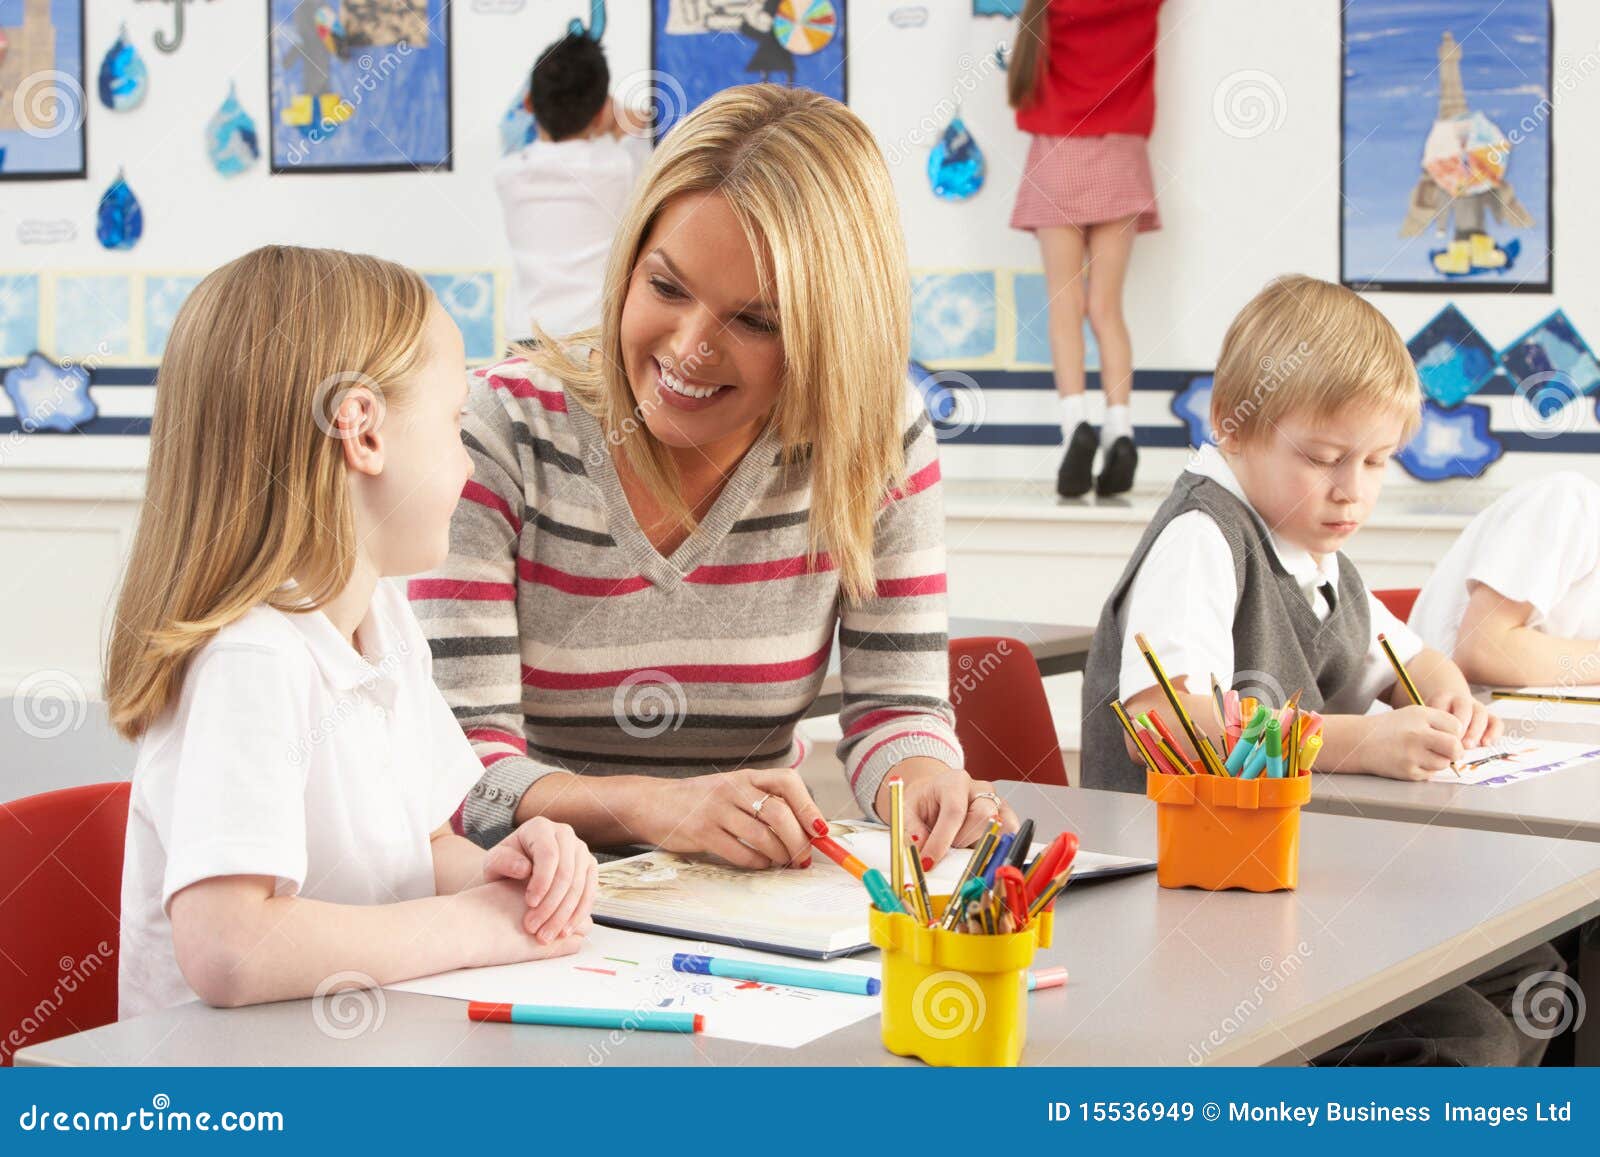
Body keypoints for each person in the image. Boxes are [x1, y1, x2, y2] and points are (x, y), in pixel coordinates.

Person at [414, 85, 1018, 871]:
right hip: (534, 907)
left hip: (755, 912)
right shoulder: (499, 433)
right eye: (667, 287)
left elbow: (895, 708)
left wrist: (928, 777)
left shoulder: (874, 433)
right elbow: (460, 776)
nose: (691, 348)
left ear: (826, 337)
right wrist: (653, 807)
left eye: (757, 321)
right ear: (628, 264)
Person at [106, 246, 596, 1016]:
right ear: (362, 431)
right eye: (454, 423)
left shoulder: (386, 622)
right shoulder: (252, 656)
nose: (469, 465)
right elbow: (229, 948)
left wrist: (507, 874)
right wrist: (475, 924)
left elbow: (427, 850)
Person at [1008, 0, 1165, 499]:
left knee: (1065, 304)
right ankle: (1121, 427)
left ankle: (1075, 423)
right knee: (1107, 310)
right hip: (1121, 156)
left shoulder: (1050, 6)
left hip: (1058, 152)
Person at [496, 32, 651, 339]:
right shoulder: (620, 167)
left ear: (529, 103)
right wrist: (623, 121)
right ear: (601, 112)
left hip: (526, 342)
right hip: (591, 341)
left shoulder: (508, 174)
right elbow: (639, 128)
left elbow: (509, 126)